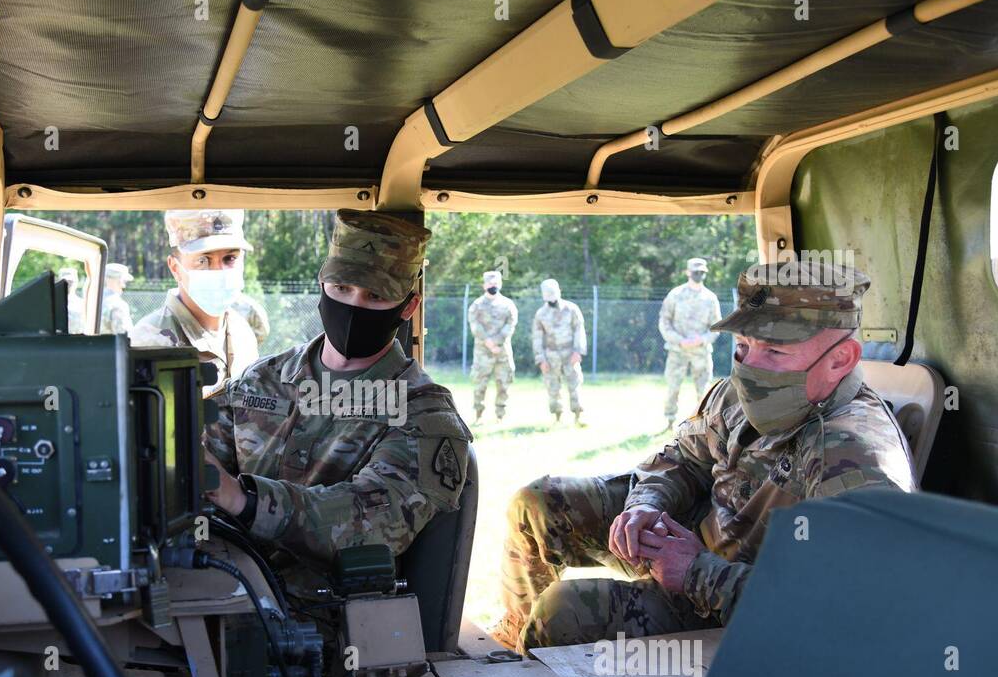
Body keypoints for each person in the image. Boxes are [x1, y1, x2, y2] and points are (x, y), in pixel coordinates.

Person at [493, 259, 916, 652]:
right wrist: (646, 504)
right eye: (743, 345)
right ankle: (516, 646)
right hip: (691, 547)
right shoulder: (740, 393)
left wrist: (698, 574)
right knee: (538, 505)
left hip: (733, 611)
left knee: (564, 612)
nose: (748, 367)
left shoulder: (856, 456)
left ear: (840, 359)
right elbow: (684, 457)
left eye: (775, 352)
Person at [202, 209, 472, 603]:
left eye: (375, 296)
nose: (354, 305)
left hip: (324, 618)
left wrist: (243, 499)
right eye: (342, 287)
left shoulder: (423, 413)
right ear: (323, 283)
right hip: (221, 591)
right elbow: (195, 460)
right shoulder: (263, 379)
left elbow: (375, 525)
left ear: (408, 307)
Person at [129, 209, 259, 394]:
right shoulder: (149, 342)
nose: (219, 271)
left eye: (230, 258)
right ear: (175, 268)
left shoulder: (242, 331)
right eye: (203, 260)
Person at [659, 257, 722, 430]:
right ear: (688, 272)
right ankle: (669, 422)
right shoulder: (675, 295)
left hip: (701, 352)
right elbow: (664, 321)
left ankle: (704, 426)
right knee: (673, 387)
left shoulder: (710, 298)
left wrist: (702, 339)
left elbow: (717, 326)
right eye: (695, 272)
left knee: (705, 392)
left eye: (702, 272)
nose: (698, 275)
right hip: (677, 351)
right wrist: (680, 340)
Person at [532, 278, 587, 425]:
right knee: (553, 387)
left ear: (559, 292)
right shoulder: (540, 314)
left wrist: (578, 351)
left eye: (553, 294)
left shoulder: (572, 309)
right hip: (551, 356)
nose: (551, 298)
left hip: (570, 354)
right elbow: (537, 338)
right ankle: (557, 417)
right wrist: (541, 359)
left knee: (575, 384)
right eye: (548, 295)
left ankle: (578, 416)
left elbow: (579, 330)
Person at [467, 269, 517, 423]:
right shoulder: (476, 305)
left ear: (500, 284)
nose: (492, 286)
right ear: (484, 285)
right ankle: (478, 415)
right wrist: (488, 342)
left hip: (502, 352)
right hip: (482, 352)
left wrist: (497, 341)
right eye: (489, 283)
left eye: (495, 283)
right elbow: (475, 326)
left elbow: (511, 324)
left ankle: (500, 416)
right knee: (480, 384)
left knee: (504, 384)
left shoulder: (508, 305)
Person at [99, 262, 136, 337]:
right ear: (117, 280)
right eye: (124, 281)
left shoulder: (93, 301)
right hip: (111, 344)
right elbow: (124, 335)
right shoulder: (117, 304)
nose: (124, 285)